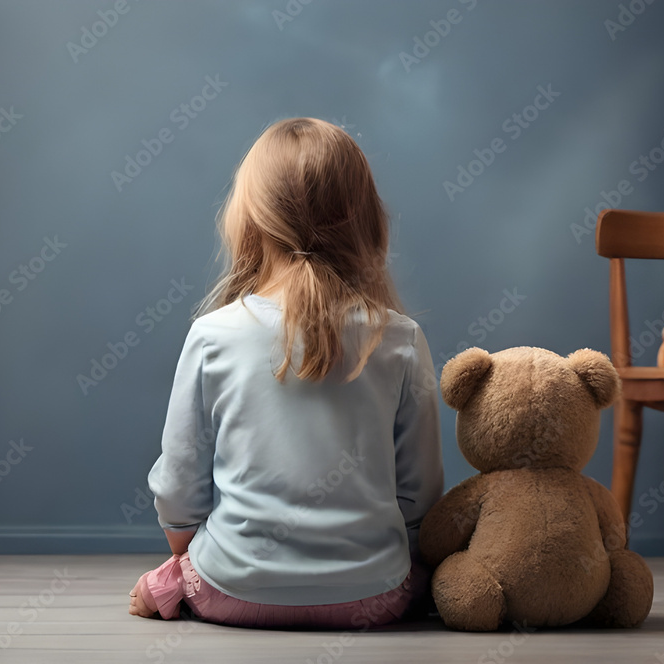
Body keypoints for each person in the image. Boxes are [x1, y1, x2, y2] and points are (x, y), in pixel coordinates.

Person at [128, 117, 443, 629]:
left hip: (231, 592)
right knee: (432, 575)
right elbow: (420, 495)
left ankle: (173, 583)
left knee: (190, 567)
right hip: (375, 598)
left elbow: (179, 489)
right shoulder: (401, 338)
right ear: (367, 219)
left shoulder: (212, 335)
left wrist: (190, 556)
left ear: (251, 218)